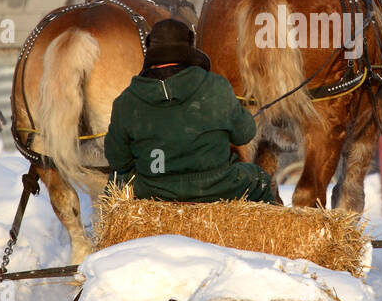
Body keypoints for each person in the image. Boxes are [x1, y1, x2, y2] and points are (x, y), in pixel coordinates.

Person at [104, 18, 277, 204]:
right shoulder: (216, 86)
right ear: (188, 50)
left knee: (113, 185)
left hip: (151, 189)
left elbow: (118, 160)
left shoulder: (126, 101)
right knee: (260, 180)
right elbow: (245, 134)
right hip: (218, 186)